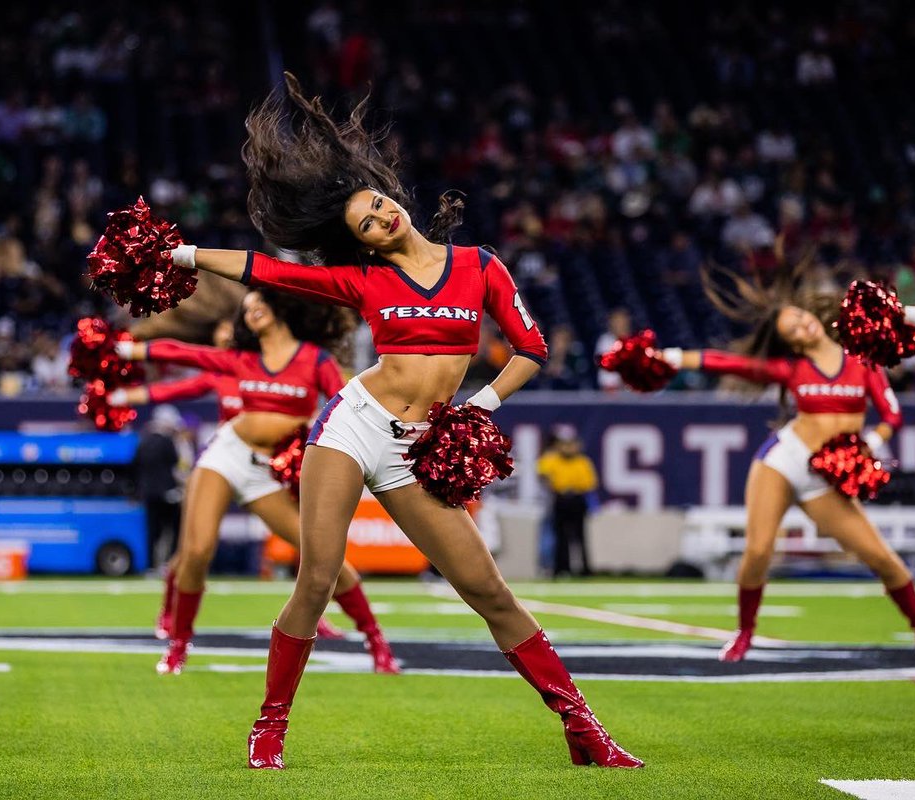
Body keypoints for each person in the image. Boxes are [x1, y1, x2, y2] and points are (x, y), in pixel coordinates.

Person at [155, 73, 641, 769]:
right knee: (318, 576)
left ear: (394, 200)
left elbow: (532, 349)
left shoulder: (479, 265)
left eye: (378, 205)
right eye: (363, 224)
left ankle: (584, 729)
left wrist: (482, 403)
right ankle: (269, 728)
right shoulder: (366, 280)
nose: (380, 217)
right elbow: (267, 269)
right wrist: (178, 254)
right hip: (353, 428)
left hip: (423, 449)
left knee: (488, 590)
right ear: (364, 245)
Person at [119, 289, 399, 676]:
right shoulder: (243, 359)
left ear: (280, 307)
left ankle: (376, 641)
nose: (252, 312)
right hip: (227, 453)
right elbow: (187, 353)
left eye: (259, 304)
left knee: (321, 556)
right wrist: (129, 351)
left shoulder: (314, 360)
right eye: (246, 310)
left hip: (266, 470)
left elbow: (344, 408)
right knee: (196, 551)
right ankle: (178, 646)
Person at [654, 265, 915, 661]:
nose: (800, 326)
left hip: (824, 477)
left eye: (799, 317)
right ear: (791, 344)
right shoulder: (793, 368)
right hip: (783, 460)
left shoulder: (863, 360)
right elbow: (726, 363)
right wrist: (668, 356)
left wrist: (870, 441)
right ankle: (744, 632)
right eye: (790, 330)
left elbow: (892, 415)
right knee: (759, 551)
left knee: (883, 559)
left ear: (812, 315)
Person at [536, 425, 598, 577]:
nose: (569, 448)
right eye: (565, 444)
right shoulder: (551, 459)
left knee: (580, 537)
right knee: (560, 536)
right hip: (560, 499)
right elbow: (542, 473)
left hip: (577, 500)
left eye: (571, 444)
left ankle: (585, 569)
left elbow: (590, 483)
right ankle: (561, 569)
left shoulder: (582, 461)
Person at [133, 405, 186, 570]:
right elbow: (175, 463)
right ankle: (169, 563)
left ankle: (150, 565)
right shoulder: (167, 441)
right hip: (167, 493)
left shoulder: (143, 441)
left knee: (152, 530)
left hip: (148, 493)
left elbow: (135, 467)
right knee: (172, 529)